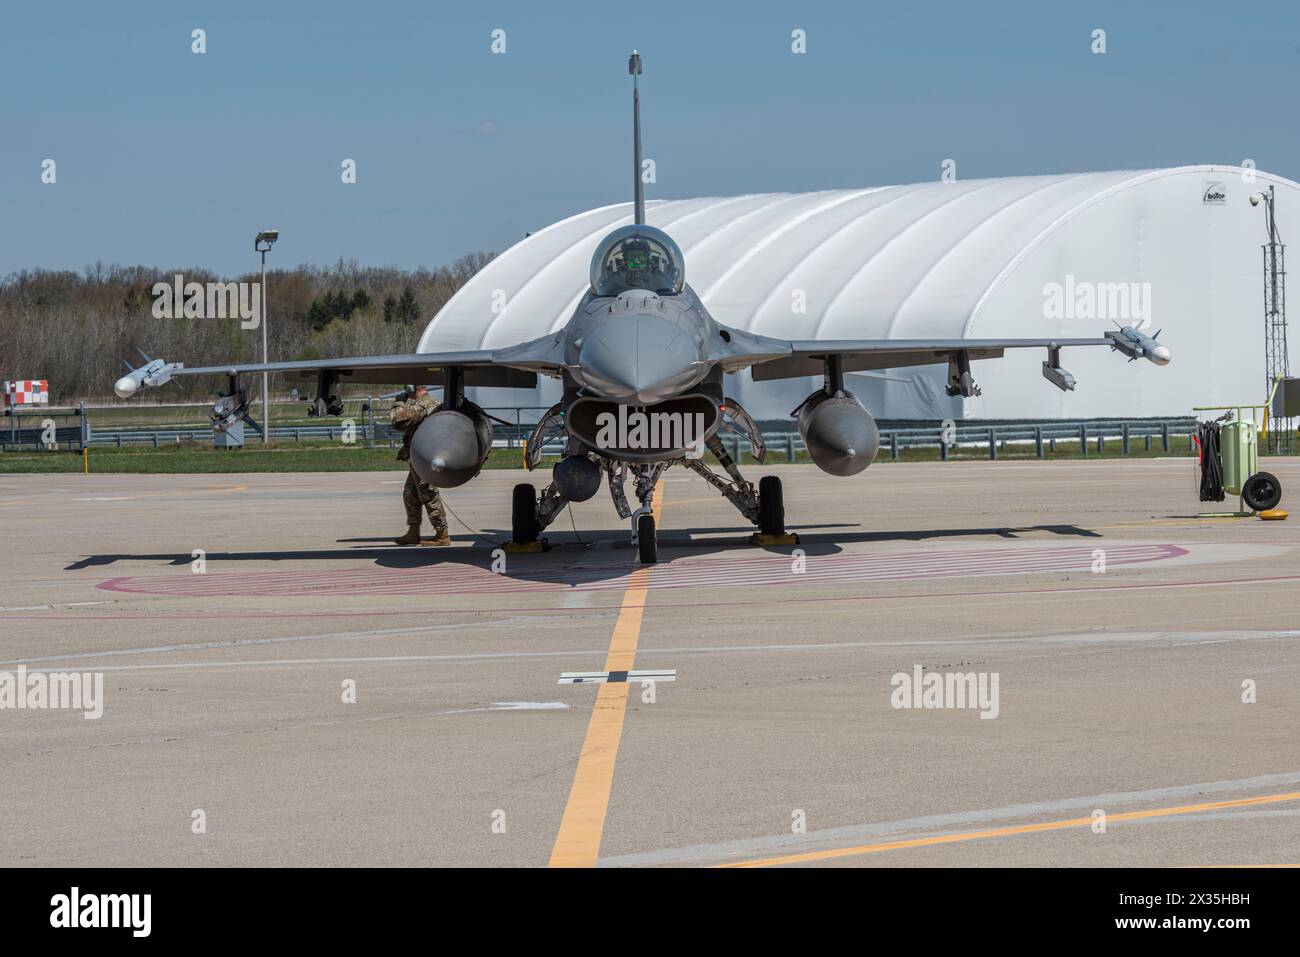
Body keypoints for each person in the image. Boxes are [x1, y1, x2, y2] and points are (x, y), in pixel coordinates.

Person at [391, 385, 451, 546]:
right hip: (419, 455)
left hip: (426, 455)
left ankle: (442, 534)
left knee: (428, 493)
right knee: (410, 493)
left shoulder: (425, 404)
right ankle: (413, 531)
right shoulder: (423, 403)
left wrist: (398, 404)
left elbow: (398, 421)